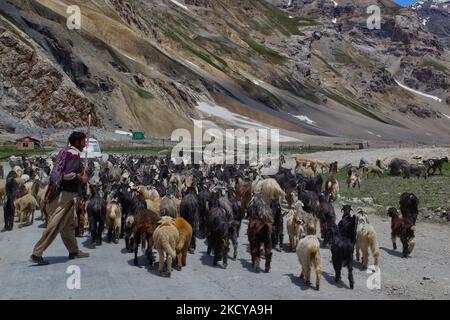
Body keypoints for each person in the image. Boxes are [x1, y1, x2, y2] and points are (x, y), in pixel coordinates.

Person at [30, 132, 90, 265]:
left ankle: (73, 251)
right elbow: (68, 174)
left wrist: (82, 169)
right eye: (83, 141)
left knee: (68, 225)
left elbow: (62, 172)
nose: (85, 144)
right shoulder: (74, 154)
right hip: (66, 195)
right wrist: (82, 177)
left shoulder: (65, 151)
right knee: (56, 225)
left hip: (62, 193)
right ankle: (37, 252)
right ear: (77, 142)